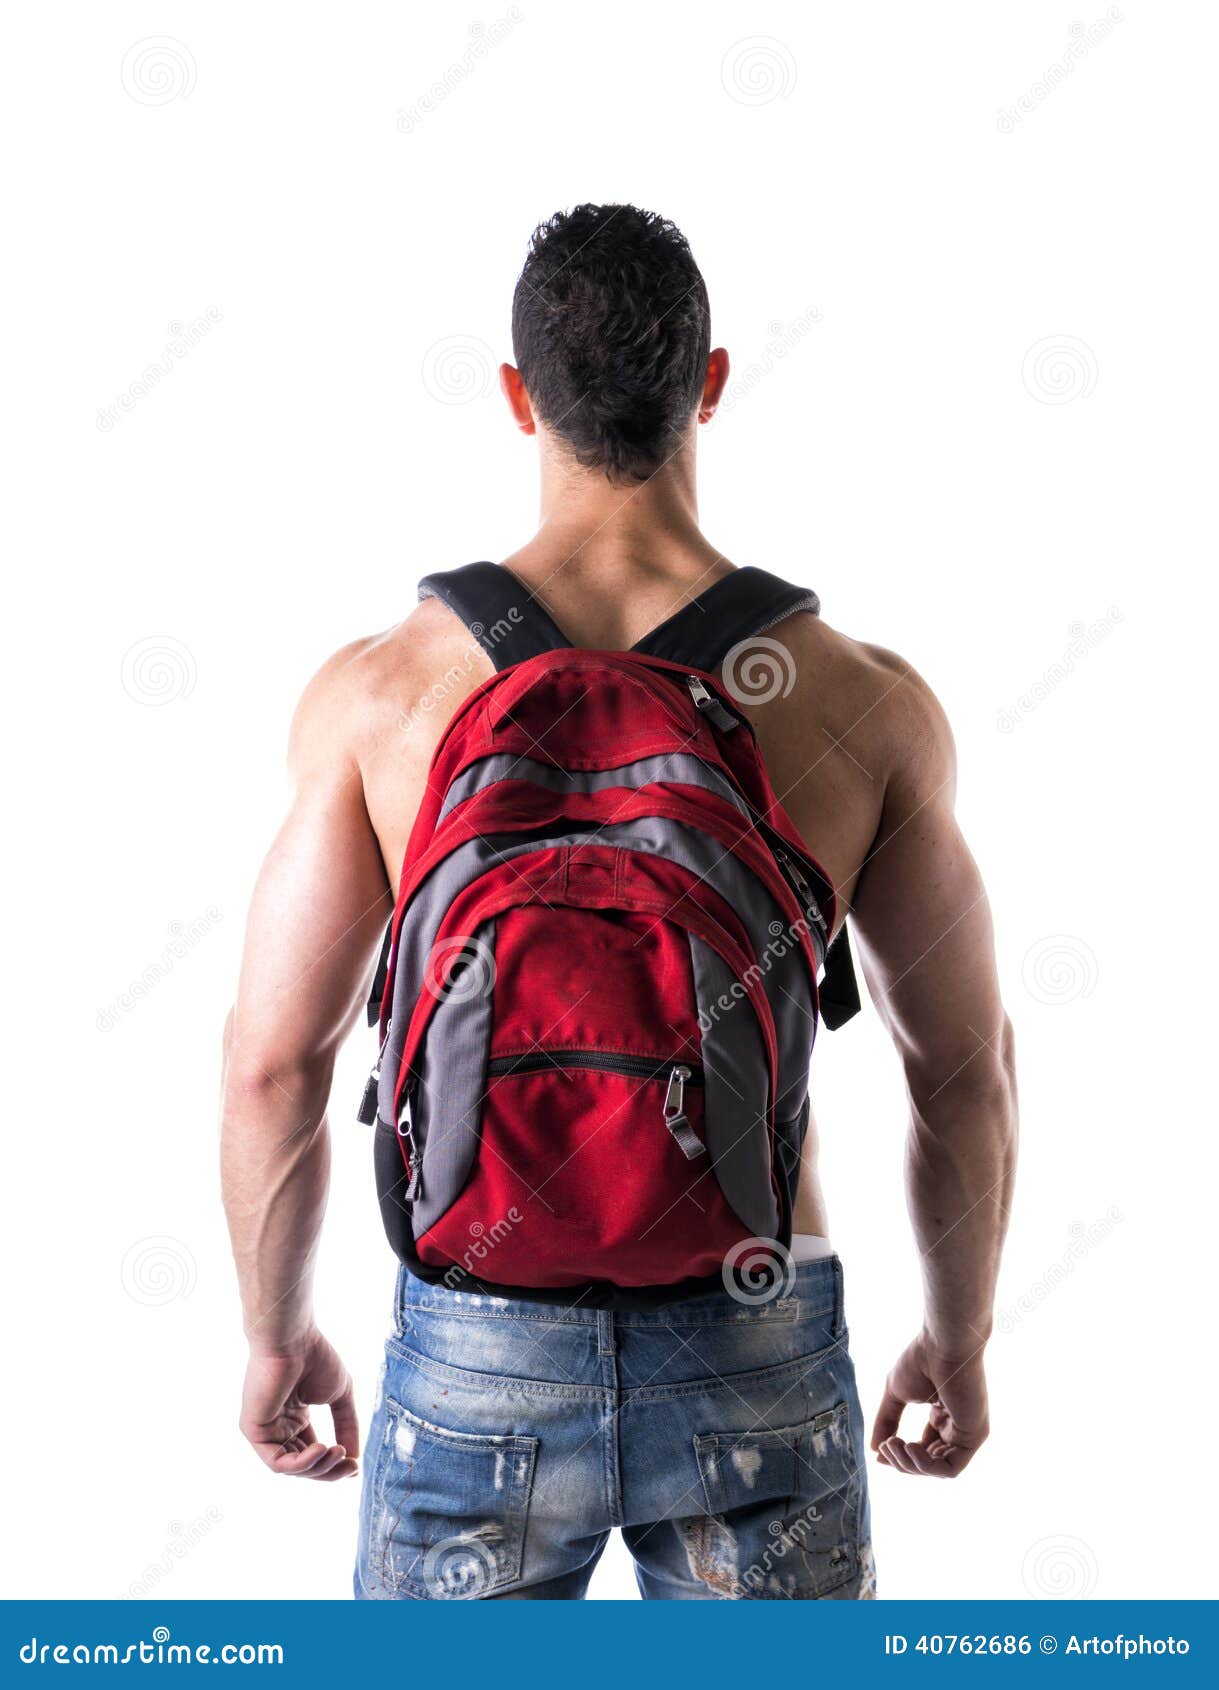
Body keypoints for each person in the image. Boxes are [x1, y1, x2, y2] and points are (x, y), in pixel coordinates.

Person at [220, 203, 1017, 1600]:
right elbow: (963, 1072)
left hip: (479, 1338)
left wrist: (273, 1334)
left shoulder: (382, 695)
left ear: (519, 398)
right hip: (752, 1326)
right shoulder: (863, 703)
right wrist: (962, 1334)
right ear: (711, 383)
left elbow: (275, 1063)